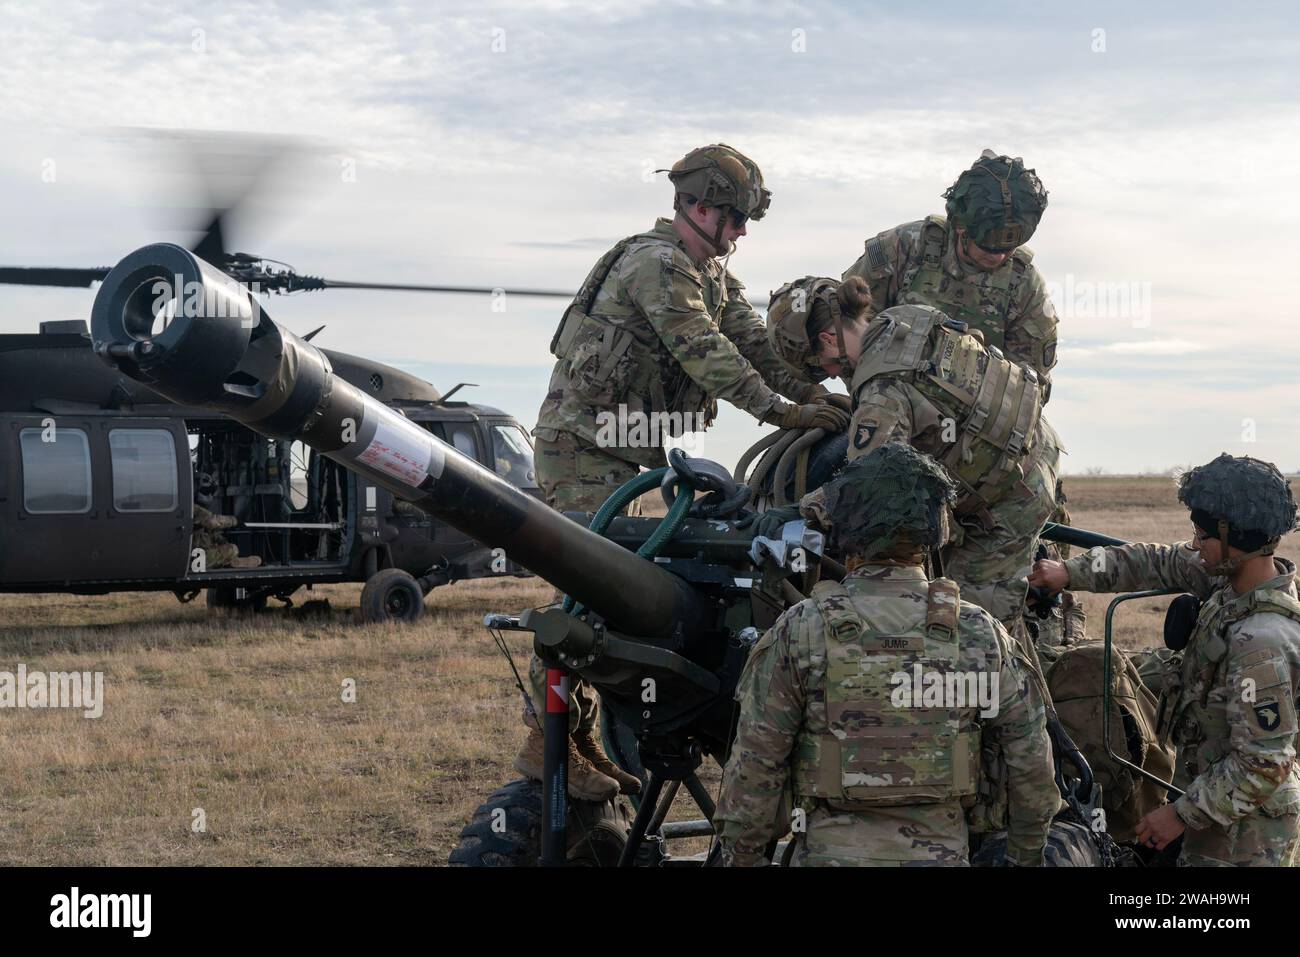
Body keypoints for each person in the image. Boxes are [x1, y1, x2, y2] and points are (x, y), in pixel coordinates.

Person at [521, 145, 852, 802]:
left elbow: (753, 351)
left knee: (632, 594)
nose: (740, 232)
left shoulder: (710, 277)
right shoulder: (658, 268)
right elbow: (707, 355)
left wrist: (820, 401)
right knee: (591, 591)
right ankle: (549, 736)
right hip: (580, 448)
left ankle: (590, 730)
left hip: (624, 454)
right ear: (696, 205)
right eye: (732, 216)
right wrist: (783, 412)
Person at [715, 443, 1057, 866]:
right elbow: (1032, 767)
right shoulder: (979, 633)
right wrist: (1024, 858)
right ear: (936, 529)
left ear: (846, 529)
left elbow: (755, 767)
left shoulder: (802, 629)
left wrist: (743, 859)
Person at [1029, 453, 1300, 865]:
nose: (1194, 545)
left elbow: (1264, 764)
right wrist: (1069, 573)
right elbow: (1154, 561)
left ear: (1235, 537)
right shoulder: (1231, 579)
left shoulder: (1261, 641)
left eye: (1202, 535)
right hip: (1206, 799)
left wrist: (1180, 814)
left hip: (1243, 837)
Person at [765, 281, 1061, 650]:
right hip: (1031, 451)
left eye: (821, 367)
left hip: (1009, 499)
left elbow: (870, 484)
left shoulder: (881, 393)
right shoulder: (904, 322)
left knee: (974, 630)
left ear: (827, 340)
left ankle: (1017, 701)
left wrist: (800, 511)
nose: (829, 373)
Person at [842, 150, 1058, 393]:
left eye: (1009, 247)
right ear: (961, 228)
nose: (998, 255)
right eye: (986, 244)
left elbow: (1030, 385)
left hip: (973, 418)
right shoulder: (905, 247)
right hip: (884, 397)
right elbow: (843, 323)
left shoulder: (1025, 286)